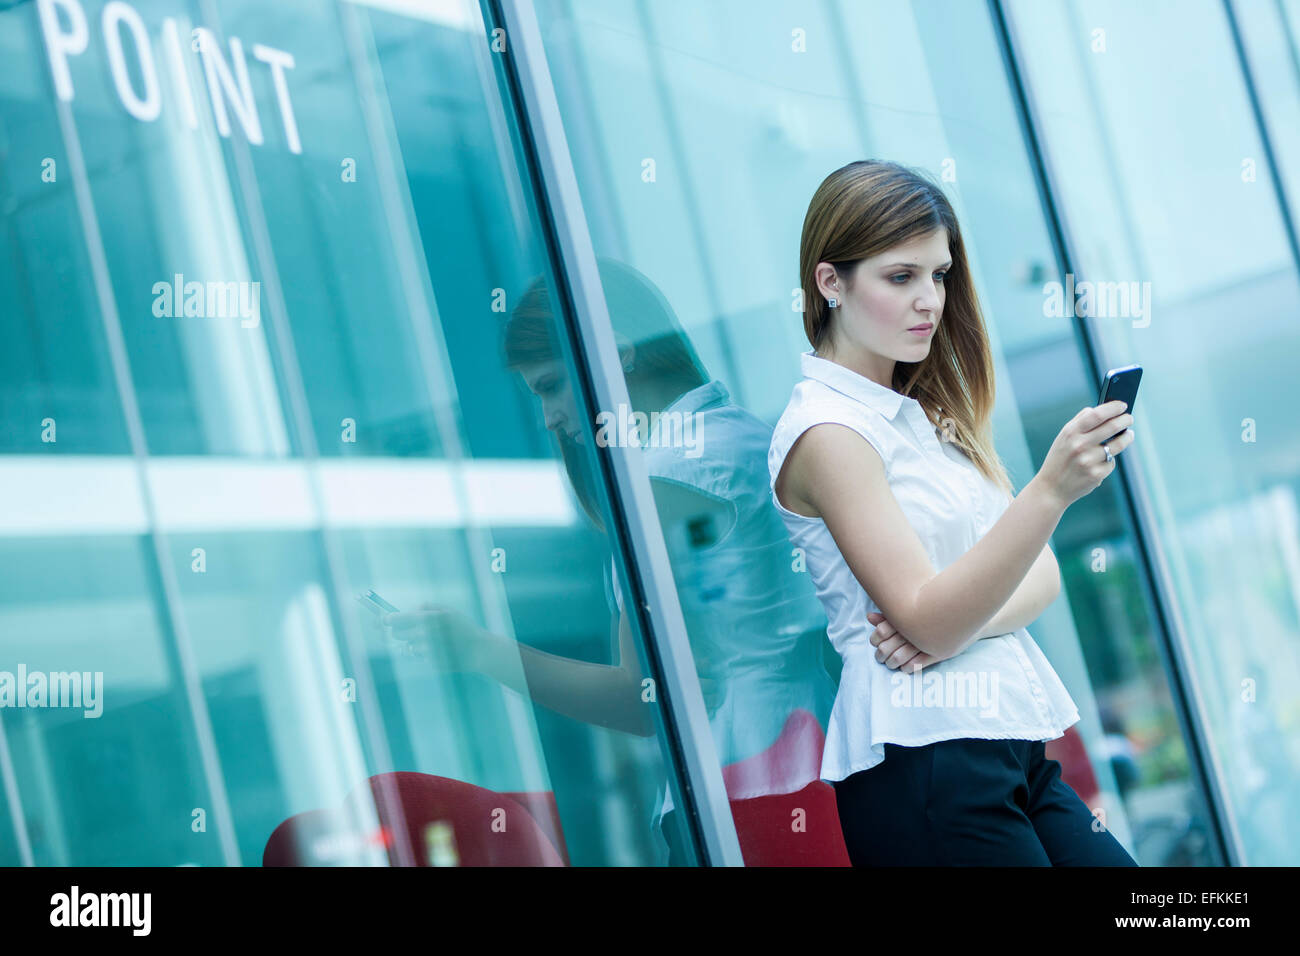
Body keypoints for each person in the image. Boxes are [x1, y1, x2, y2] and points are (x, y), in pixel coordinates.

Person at [385, 258, 837, 865]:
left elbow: (641, 698)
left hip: (751, 794)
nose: (548, 417)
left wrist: (475, 650)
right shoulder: (744, 437)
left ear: (618, 355)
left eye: (550, 386)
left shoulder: (672, 472)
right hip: (810, 767)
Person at [769, 159, 1138, 866]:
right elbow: (933, 611)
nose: (930, 300)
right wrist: (1050, 490)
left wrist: (949, 628)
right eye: (901, 276)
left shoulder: (923, 414)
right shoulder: (828, 433)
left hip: (1010, 748)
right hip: (926, 761)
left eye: (938, 275)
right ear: (830, 282)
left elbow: (1040, 576)